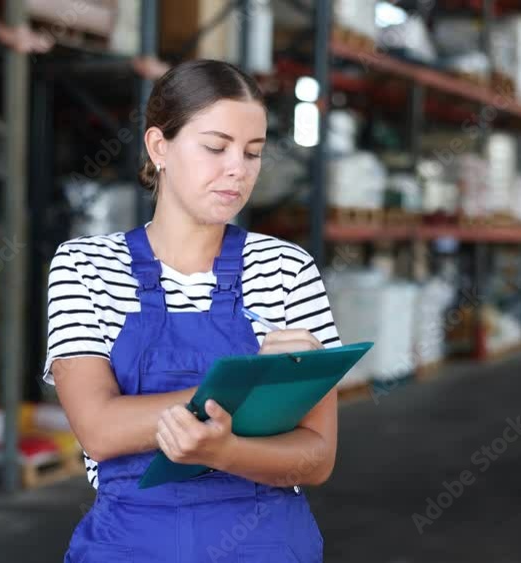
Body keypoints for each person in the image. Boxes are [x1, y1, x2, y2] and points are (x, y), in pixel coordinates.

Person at [43, 59, 342, 563]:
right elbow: (99, 428)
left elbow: (316, 458)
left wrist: (224, 450)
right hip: (130, 546)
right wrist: (254, 385)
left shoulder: (288, 270)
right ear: (159, 147)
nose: (237, 170)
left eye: (252, 153)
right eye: (215, 147)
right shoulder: (85, 267)